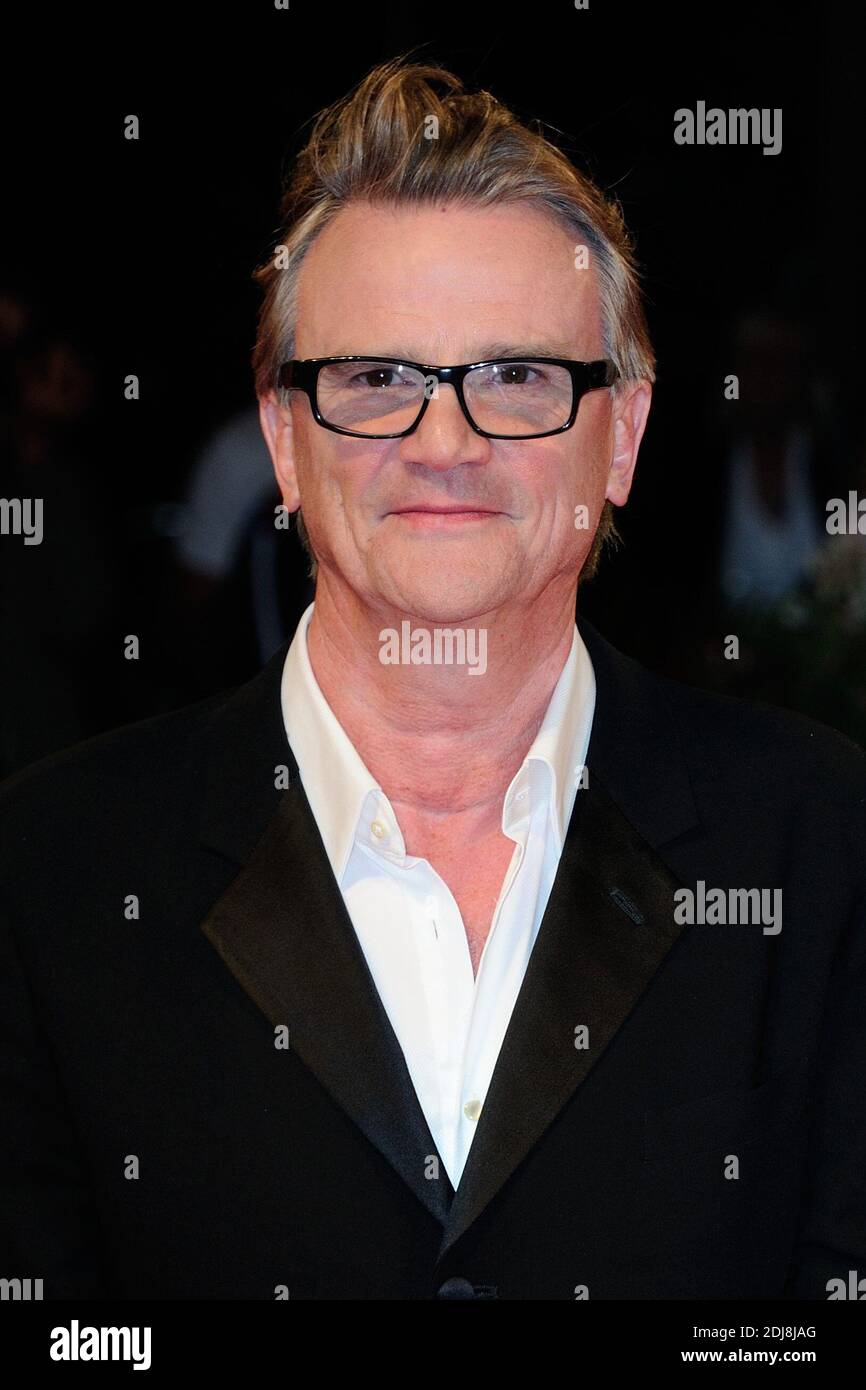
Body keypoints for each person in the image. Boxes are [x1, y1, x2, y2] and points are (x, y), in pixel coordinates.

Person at [1, 55, 864, 1301]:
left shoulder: (819, 844)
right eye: (376, 380)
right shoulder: (50, 873)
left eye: (515, 376)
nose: (444, 443)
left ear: (619, 435)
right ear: (282, 440)